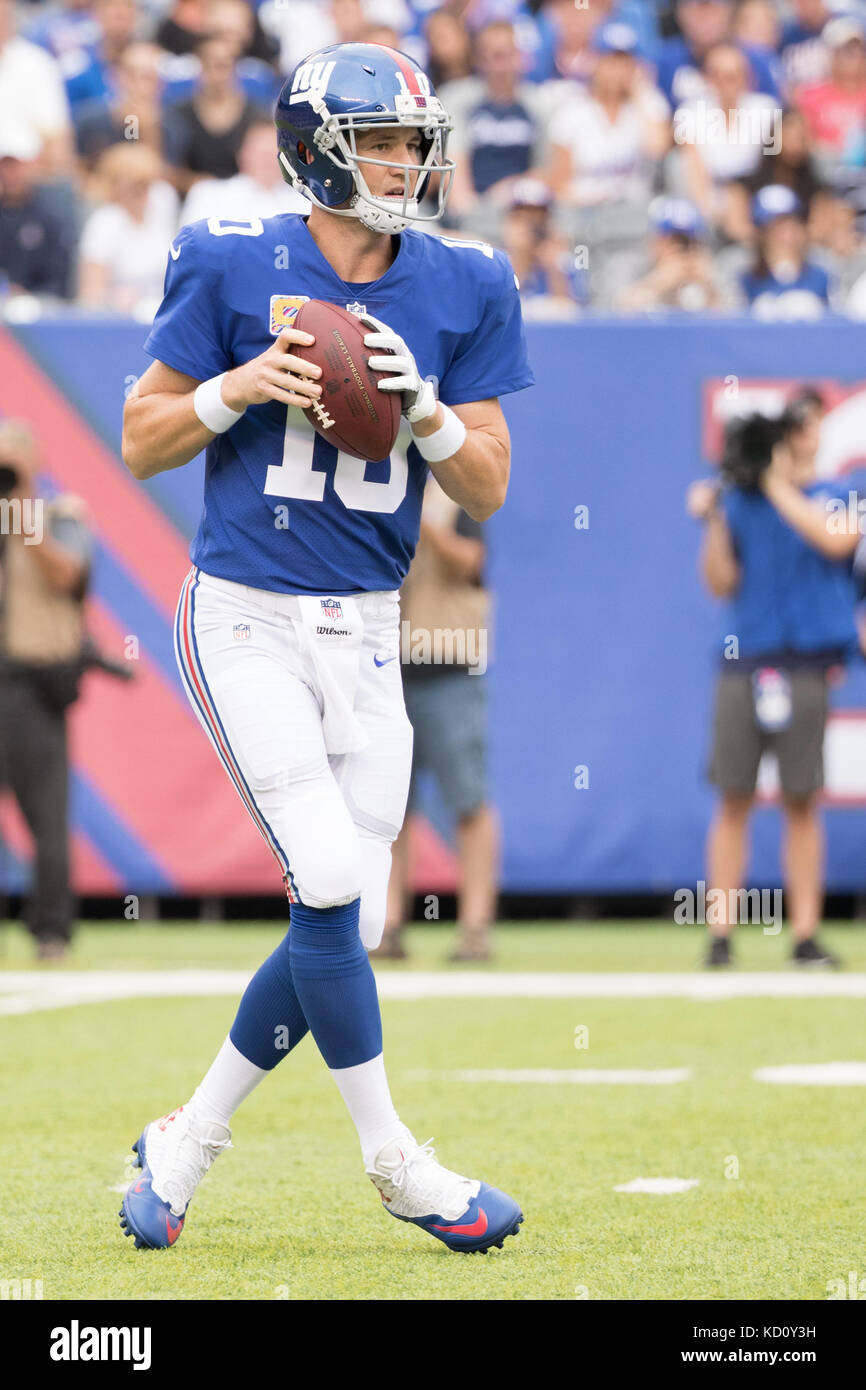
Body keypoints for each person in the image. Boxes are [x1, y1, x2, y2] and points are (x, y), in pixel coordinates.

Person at [119, 40, 534, 1256]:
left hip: (370, 626)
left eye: (415, 142)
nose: (407, 163)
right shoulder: (231, 257)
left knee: (331, 916)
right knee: (333, 879)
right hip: (243, 612)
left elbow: (493, 485)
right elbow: (143, 439)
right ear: (316, 152)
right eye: (382, 143)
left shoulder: (464, 282)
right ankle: (396, 1162)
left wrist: (428, 411)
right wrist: (239, 384)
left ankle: (185, 1139)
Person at [686, 393, 859, 969]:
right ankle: (720, 935)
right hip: (745, 659)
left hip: (806, 661)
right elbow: (718, 582)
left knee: (801, 799)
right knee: (732, 796)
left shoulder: (837, 494)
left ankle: (805, 933)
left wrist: (776, 484)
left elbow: (836, 539)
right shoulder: (741, 503)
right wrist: (715, 514)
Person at [380, 476, 498, 963]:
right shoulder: (383, 486)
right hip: (390, 666)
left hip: (450, 662)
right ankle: (388, 925)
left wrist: (421, 524)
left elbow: (473, 561)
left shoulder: (458, 489)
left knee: (468, 800)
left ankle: (475, 927)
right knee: (389, 809)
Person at [0, 423, 92, 961]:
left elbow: (67, 576)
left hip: (33, 685)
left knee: (46, 817)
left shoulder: (62, 517)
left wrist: (22, 513)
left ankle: (51, 929)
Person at [78, 142, 178, 315]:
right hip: (120, 319)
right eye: (137, 186)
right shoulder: (104, 223)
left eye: (148, 185)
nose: (144, 193)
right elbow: (90, 296)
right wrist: (113, 300)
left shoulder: (163, 203)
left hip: (164, 314)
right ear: (116, 187)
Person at [0, 127, 76, 301]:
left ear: (32, 165)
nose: (10, 173)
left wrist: (24, 295)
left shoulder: (52, 215)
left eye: (17, 165)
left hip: (38, 307)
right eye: (5, 165)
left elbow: (58, 281)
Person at [739, 184, 832, 318]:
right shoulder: (747, 279)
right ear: (761, 235)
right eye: (775, 230)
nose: (786, 237)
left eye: (791, 226)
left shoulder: (821, 276)